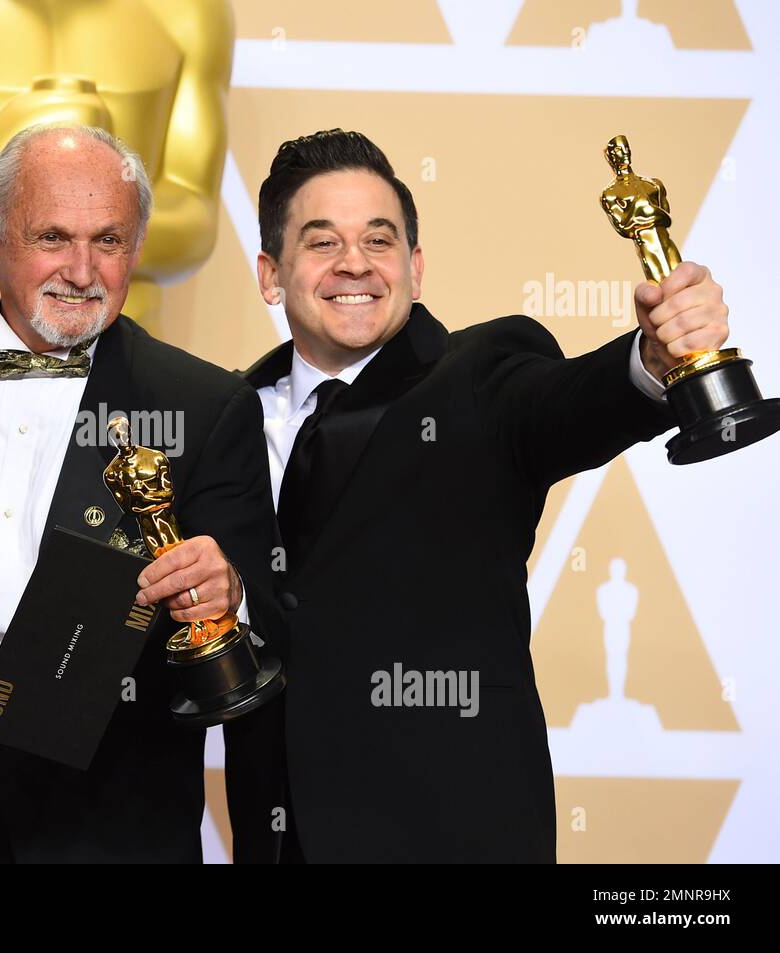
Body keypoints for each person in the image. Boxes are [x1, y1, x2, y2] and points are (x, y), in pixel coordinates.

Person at [239, 128, 726, 862]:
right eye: (322, 242)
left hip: (456, 832)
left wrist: (654, 359)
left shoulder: (480, 377)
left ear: (416, 266)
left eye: (380, 240)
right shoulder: (227, 414)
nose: (355, 264)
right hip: (279, 836)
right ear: (271, 274)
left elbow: (570, 403)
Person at [0, 124, 282, 862]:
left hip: (111, 830)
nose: (82, 270)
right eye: (52, 236)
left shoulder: (203, 403)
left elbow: (269, 625)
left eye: (109, 240)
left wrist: (233, 593)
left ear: (139, 245)